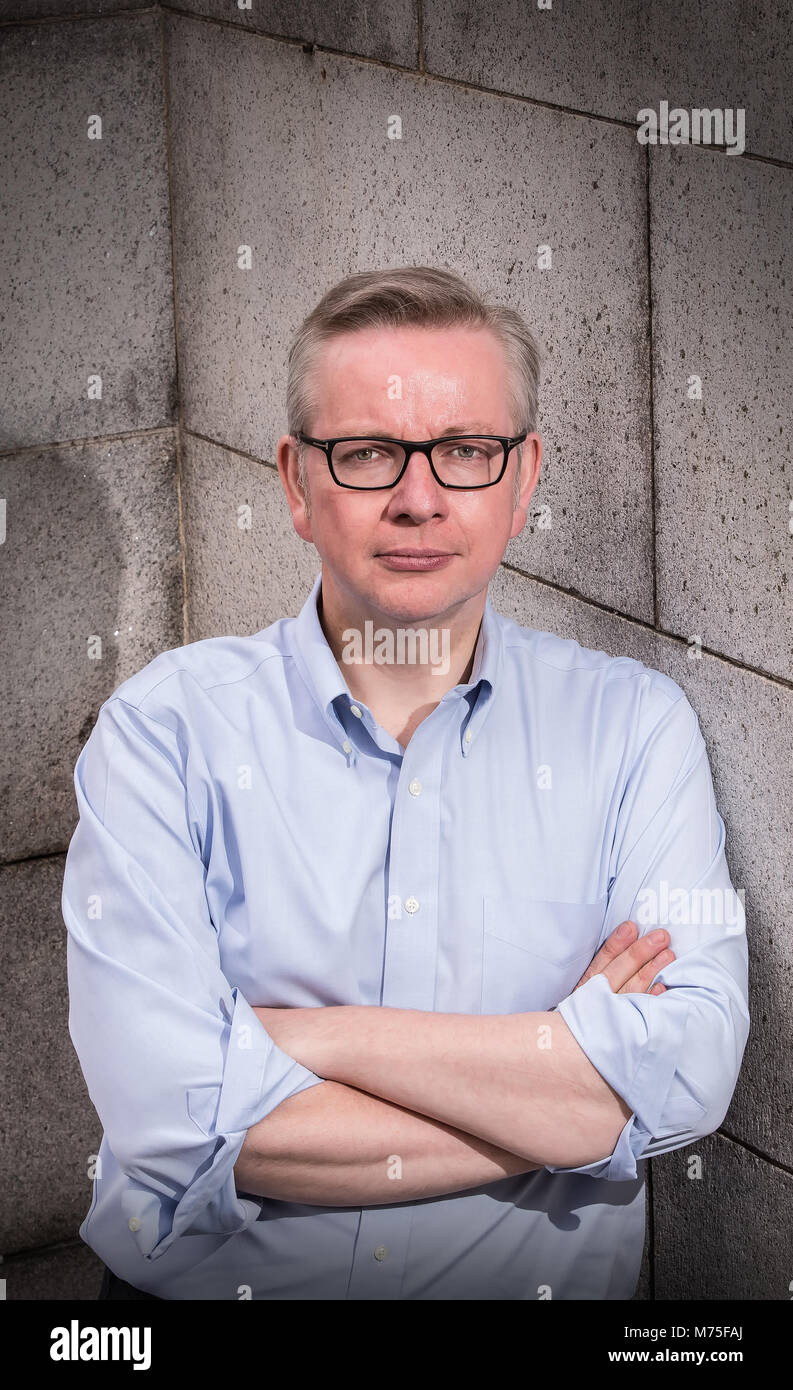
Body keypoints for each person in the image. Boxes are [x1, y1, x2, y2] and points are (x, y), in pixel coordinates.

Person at [63, 266, 749, 1301]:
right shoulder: (163, 735)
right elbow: (173, 1121)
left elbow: (690, 1075)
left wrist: (308, 1038)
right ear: (296, 483)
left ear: (523, 480)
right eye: (370, 454)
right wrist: (567, 1090)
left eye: (467, 451)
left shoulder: (631, 730)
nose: (419, 498)